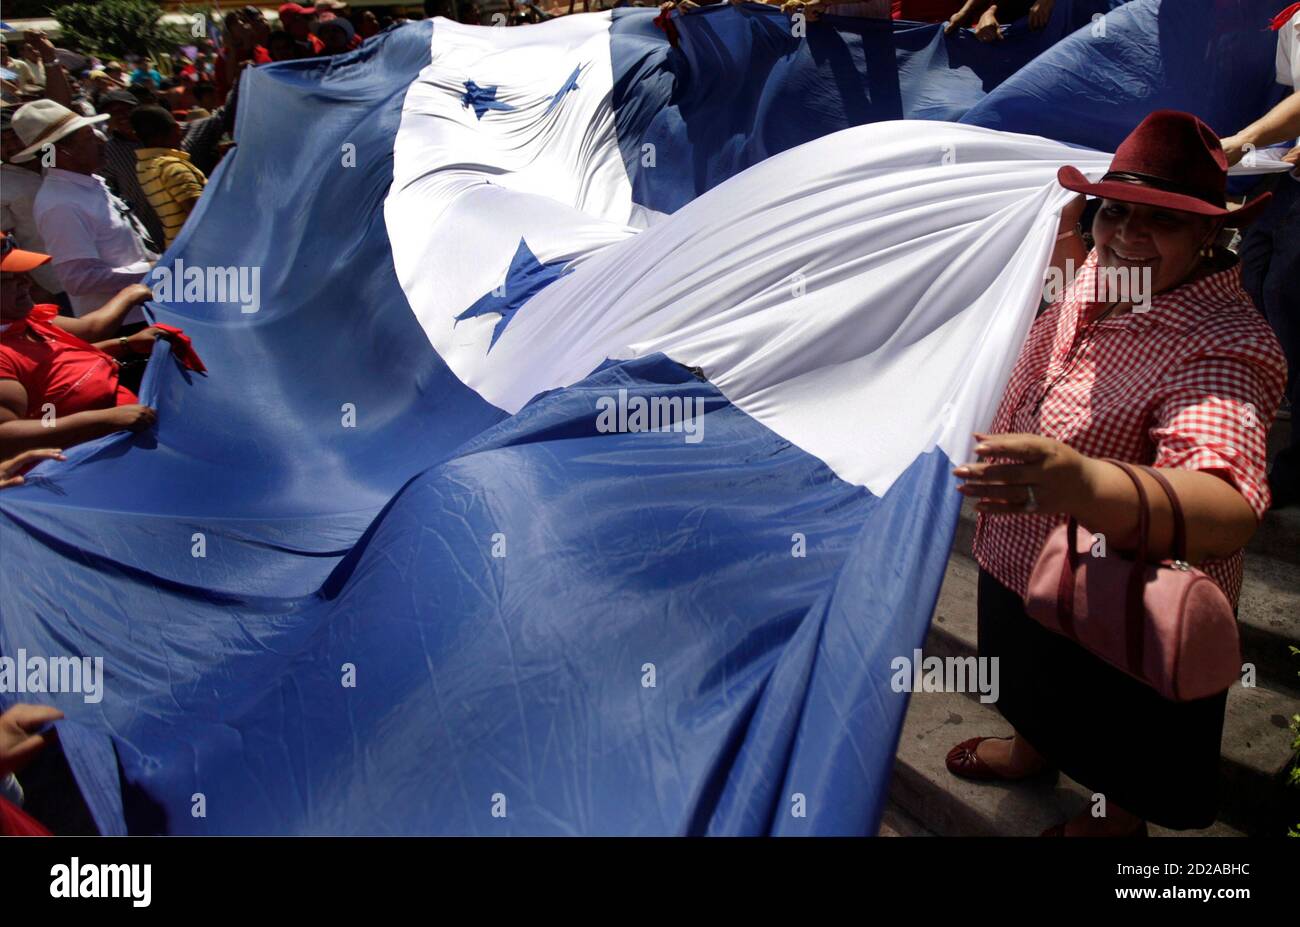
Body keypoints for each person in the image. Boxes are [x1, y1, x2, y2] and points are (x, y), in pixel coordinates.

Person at [945, 111, 1287, 836]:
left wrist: (1085, 487)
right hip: (1021, 553)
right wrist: (1075, 225)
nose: (1127, 234)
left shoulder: (1229, 344)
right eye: (1116, 211)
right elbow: (1073, 268)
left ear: (1209, 235)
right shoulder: (1105, 267)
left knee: (1119, 719)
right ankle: (1031, 747)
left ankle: (1111, 819)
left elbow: (1227, 502)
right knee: (1029, 668)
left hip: (1126, 594)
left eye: (1160, 220)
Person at [1220, 3, 1300, 507]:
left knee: (1287, 295)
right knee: (1255, 282)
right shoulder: (1291, 18)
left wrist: (1243, 140)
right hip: (1285, 175)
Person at [1, 234, 161, 457]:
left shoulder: (23, 319)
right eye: (10, 279)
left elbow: (56, 365)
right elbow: (5, 435)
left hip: (122, 442)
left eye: (24, 274)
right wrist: (100, 419)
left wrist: (125, 344)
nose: (26, 283)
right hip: (87, 466)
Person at [8, 101, 157, 324]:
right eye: (88, 137)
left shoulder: (89, 184)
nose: (101, 140)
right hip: (125, 324)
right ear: (62, 151)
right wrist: (150, 270)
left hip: (144, 311)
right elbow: (79, 279)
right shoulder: (61, 204)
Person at [0, 107, 63, 301]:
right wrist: (33, 286)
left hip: (98, 263)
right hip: (51, 280)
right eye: (2, 142)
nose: (11, 146)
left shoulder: (50, 159)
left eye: (15, 136)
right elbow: (6, 245)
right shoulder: (2, 183)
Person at [96, 89, 168, 253]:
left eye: (125, 109)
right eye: (113, 113)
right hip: (152, 232)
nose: (121, 116)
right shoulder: (106, 152)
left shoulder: (162, 134)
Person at [131, 106, 207, 249]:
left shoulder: (144, 165)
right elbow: (201, 214)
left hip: (177, 247)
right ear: (176, 129)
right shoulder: (172, 168)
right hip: (197, 248)